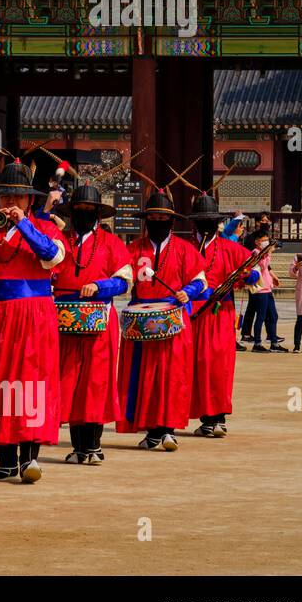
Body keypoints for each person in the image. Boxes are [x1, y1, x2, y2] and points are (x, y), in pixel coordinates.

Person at [0, 160, 65, 482]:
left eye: (17, 198)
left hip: (35, 315)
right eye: (5, 197)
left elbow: (53, 257)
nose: (10, 204)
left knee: (33, 382)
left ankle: (29, 458)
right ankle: (5, 459)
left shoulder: (46, 228)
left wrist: (24, 225)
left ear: (30, 201)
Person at [117, 190, 206, 451]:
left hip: (173, 319)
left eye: (162, 217)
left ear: (171, 221)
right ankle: (151, 429)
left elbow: (200, 281)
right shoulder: (133, 249)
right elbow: (123, 280)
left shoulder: (184, 250)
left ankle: (168, 429)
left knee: (172, 376)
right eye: (153, 217)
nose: (158, 221)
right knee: (144, 376)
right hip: (141, 322)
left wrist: (186, 292)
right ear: (147, 220)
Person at [51, 183, 132, 464]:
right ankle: (77, 446)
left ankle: (93, 445)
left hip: (99, 323)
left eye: (89, 210)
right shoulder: (61, 242)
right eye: (79, 209)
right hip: (66, 323)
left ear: (98, 214)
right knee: (71, 382)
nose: (84, 213)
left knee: (95, 383)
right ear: (72, 211)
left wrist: (99, 286)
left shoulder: (112, 244)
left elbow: (124, 281)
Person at [188, 195, 259, 439]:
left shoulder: (230, 247)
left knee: (218, 366)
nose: (206, 225)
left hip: (220, 314)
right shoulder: (186, 247)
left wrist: (248, 276)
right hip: (191, 315)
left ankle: (217, 418)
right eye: (201, 221)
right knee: (193, 366)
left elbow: (253, 272)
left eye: (210, 220)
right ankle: (204, 417)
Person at [247, 231, 281, 353]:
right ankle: (257, 343)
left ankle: (274, 342)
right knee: (260, 316)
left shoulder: (264, 253)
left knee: (273, 315)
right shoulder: (255, 252)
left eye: (267, 240)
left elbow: (266, 267)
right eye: (263, 240)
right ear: (257, 242)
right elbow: (262, 265)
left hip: (267, 288)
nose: (266, 242)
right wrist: (269, 253)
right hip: (260, 289)